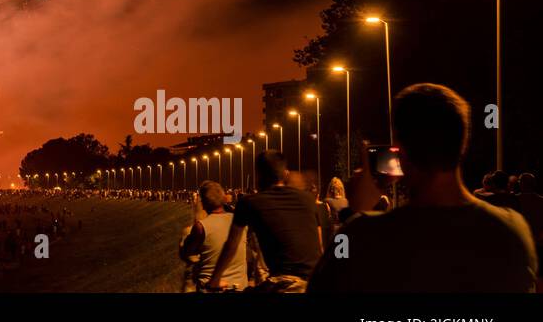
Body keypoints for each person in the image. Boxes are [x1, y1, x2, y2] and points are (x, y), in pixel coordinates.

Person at [309, 83, 537, 293]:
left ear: (400, 151)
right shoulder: (511, 229)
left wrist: (354, 214)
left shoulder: (366, 236)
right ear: (462, 143)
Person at [208, 151, 321, 292]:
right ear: (285, 174)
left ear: (258, 175)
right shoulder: (308, 200)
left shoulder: (249, 203)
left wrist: (215, 280)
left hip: (284, 284)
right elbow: (319, 245)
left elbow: (231, 245)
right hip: (316, 282)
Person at [180, 181, 248, 292]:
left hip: (210, 287)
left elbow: (187, 252)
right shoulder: (239, 221)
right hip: (239, 286)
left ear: (203, 203)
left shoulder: (201, 227)